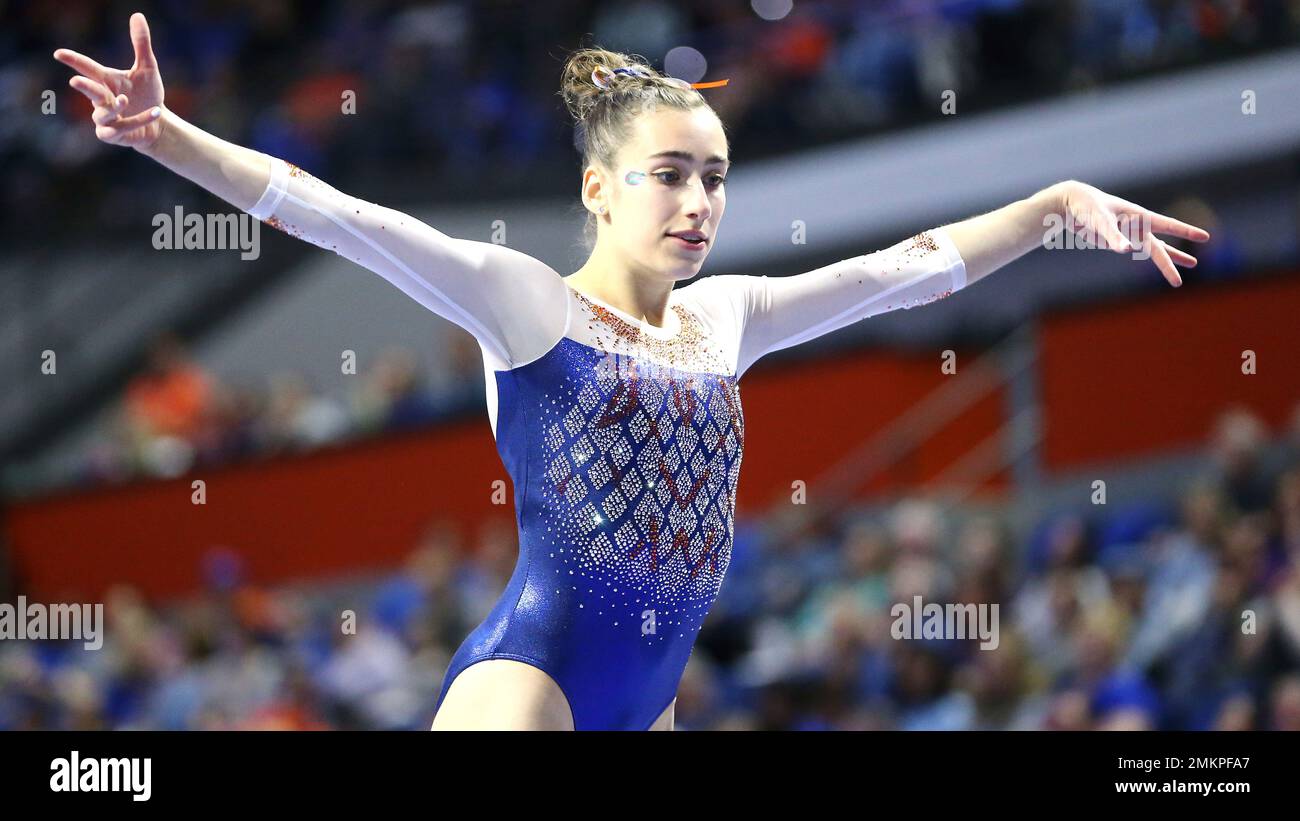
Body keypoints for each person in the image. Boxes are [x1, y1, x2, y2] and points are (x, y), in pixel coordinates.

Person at [54, 13, 1209, 730]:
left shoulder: (730, 317)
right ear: (601, 189)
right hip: (529, 683)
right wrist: (170, 138)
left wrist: (1058, 205)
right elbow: (338, 216)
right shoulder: (527, 302)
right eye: (669, 175)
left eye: (713, 178)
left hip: (649, 699)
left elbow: (906, 270)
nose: (699, 203)